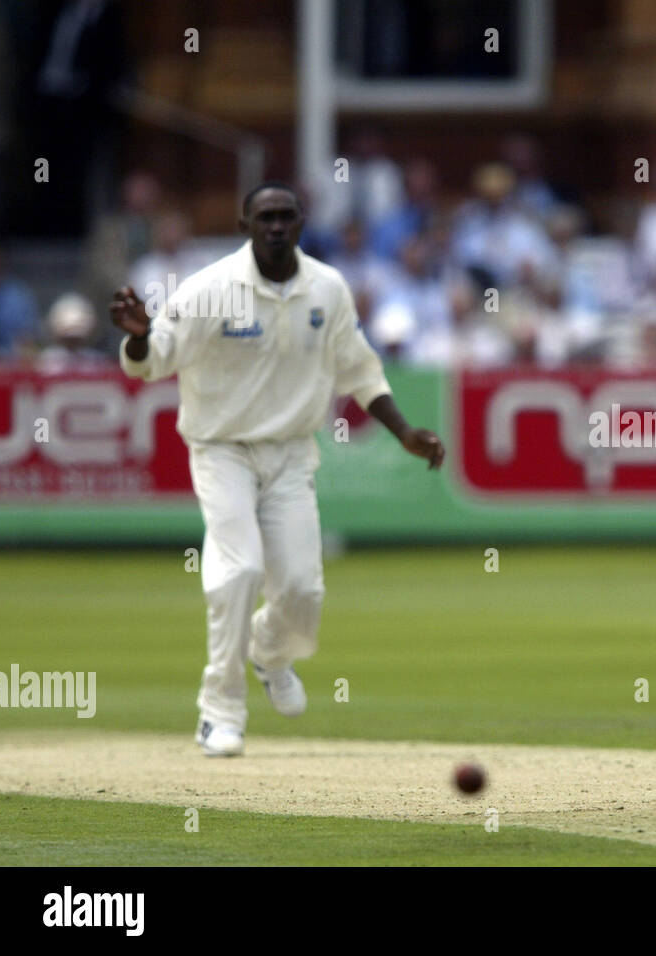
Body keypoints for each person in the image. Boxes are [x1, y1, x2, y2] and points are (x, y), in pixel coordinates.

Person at [109, 181, 445, 757]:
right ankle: (219, 710)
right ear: (245, 224)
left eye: (286, 216)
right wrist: (139, 339)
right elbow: (154, 358)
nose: (276, 226)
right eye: (265, 217)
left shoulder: (327, 288)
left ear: (301, 223)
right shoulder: (211, 289)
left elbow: (360, 372)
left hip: (291, 455)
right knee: (238, 572)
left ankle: (270, 651)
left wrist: (405, 432)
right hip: (222, 450)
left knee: (302, 592)